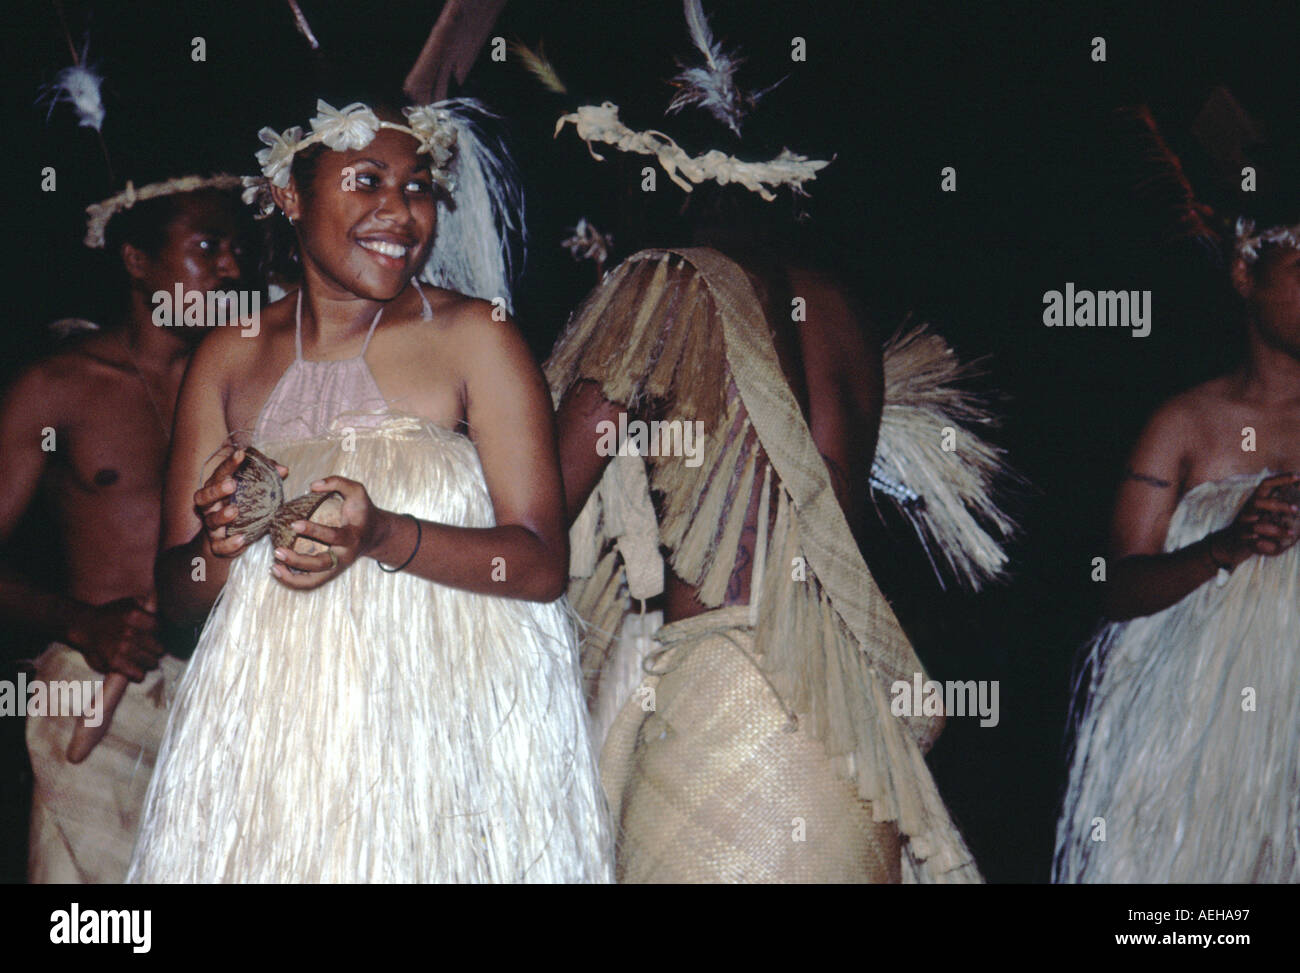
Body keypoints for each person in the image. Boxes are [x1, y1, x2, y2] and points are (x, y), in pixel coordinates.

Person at [126, 98, 612, 883]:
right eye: (367, 180)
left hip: (433, 741)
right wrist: (221, 542)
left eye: (418, 186)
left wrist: (382, 534)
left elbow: (537, 561)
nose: (401, 211)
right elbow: (178, 605)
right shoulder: (226, 357)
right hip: (275, 754)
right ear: (290, 195)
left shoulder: (475, 337)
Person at [0, 175, 247, 882]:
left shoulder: (251, 384)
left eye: (238, 249)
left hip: (220, 694)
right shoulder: (60, 387)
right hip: (93, 688)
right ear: (136, 259)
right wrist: (79, 621)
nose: (231, 268)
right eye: (208, 247)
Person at [1054, 215, 1300, 883]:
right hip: (1189, 749)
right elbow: (1117, 584)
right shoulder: (1185, 423)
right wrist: (1227, 543)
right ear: (1245, 273)